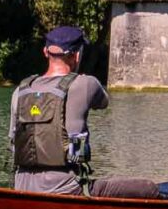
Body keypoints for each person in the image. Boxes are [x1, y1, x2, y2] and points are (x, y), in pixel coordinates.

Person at [10, 26, 109, 194]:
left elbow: (13, 142)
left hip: (23, 187)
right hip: (69, 187)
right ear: (77, 55)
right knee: (145, 188)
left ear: (45, 52)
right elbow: (103, 102)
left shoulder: (20, 91)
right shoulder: (86, 84)